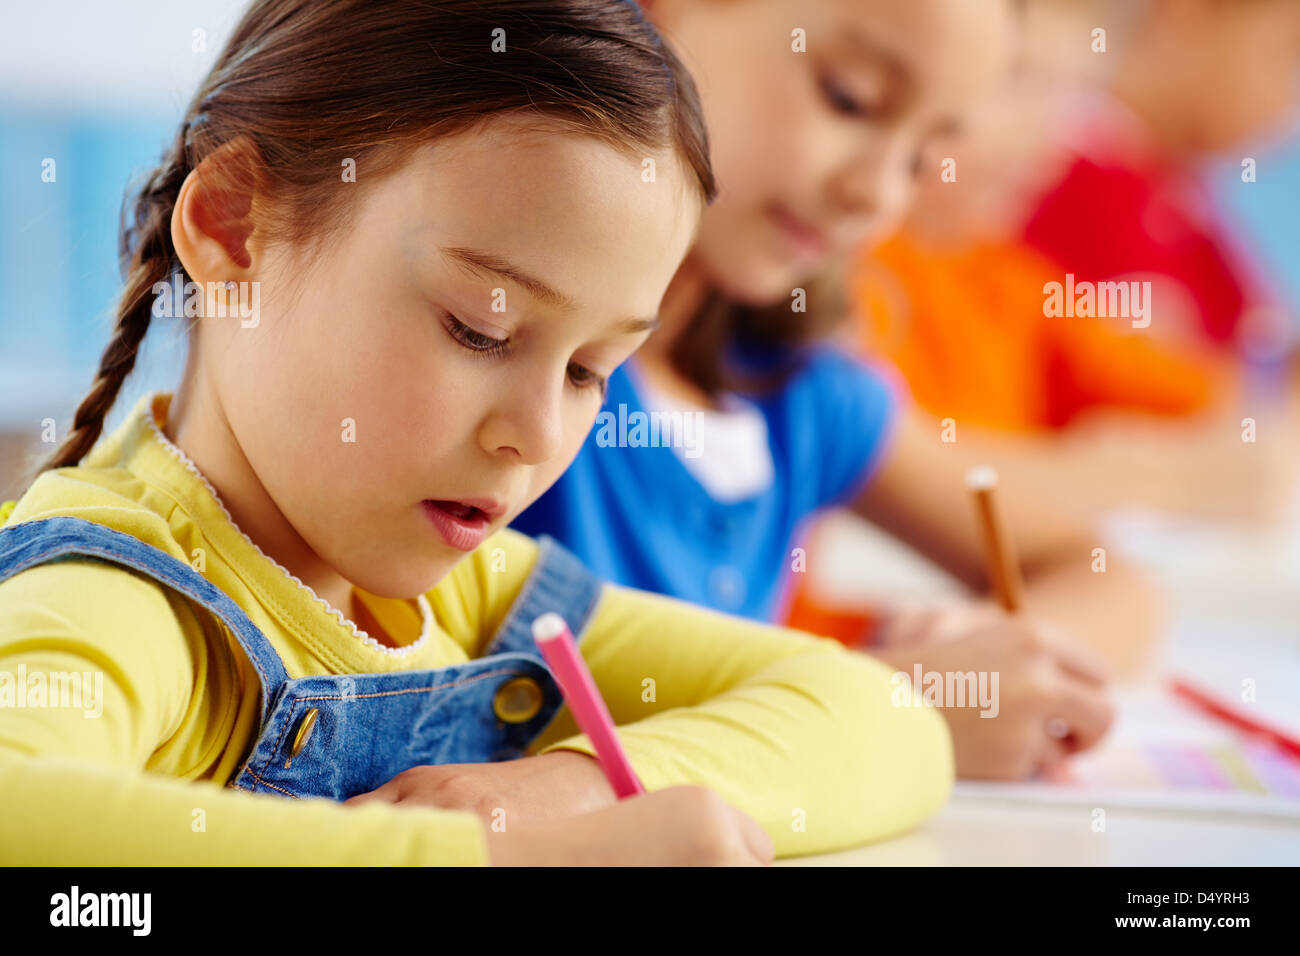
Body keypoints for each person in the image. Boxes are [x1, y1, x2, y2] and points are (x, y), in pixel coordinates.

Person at [0, 0, 954, 867]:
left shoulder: (475, 598)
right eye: (480, 329)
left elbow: (886, 721)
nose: (538, 433)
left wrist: (568, 794)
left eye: (590, 371)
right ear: (236, 226)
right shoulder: (126, 597)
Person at [514, 0, 1148, 780]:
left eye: (922, 156)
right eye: (849, 95)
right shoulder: (508, 344)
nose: (878, 194)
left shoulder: (802, 394)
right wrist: (884, 710)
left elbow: (1104, 577)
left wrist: (993, 657)